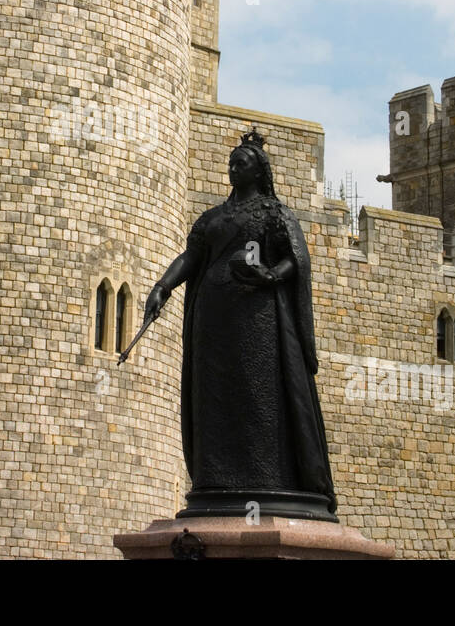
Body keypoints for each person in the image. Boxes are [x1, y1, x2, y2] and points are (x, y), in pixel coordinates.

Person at [144, 128, 338, 520]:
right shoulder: (212, 219)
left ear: (258, 171)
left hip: (259, 320)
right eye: (232, 163)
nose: (234, 168)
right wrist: (163, 285)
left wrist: (270, 276)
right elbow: (191, 258)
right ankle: (217, 477)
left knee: (258, 394)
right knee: (215, 396)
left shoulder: (273, 213)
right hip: (213, 320)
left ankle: (268, 474)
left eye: (242, 163)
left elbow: (295, 260)